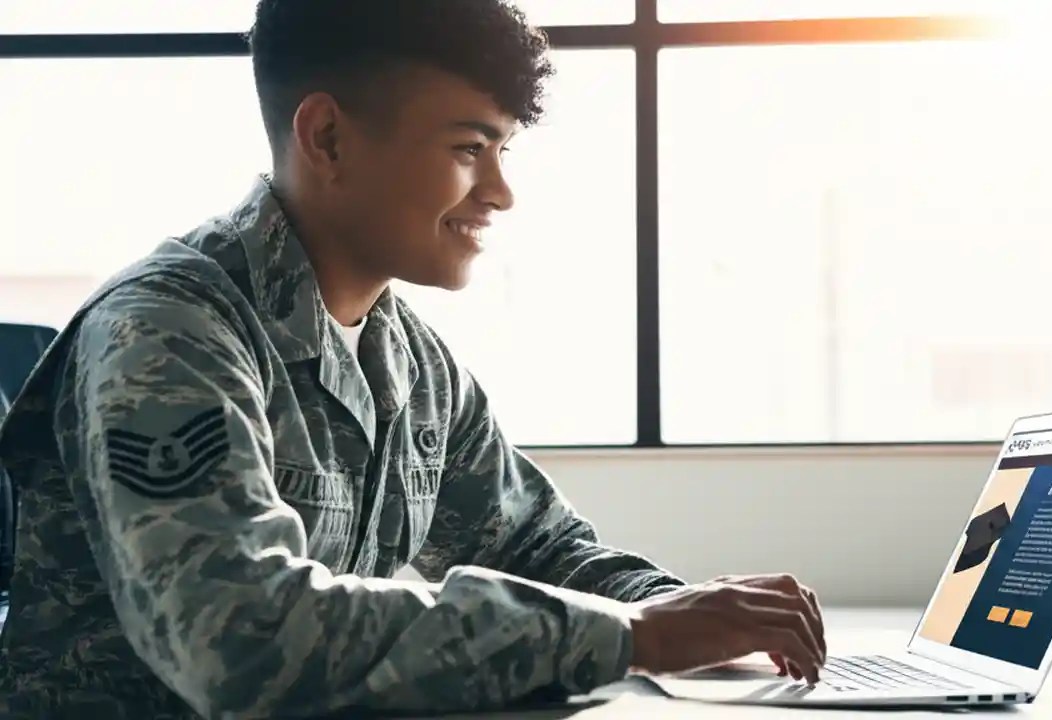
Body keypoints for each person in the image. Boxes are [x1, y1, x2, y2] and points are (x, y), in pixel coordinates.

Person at [0, 1, 826, 717]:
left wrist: (692, 616)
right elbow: (241, 639)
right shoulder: (169, 330)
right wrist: (637, 637)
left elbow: (538, 547)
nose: (500, 192)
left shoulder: (411, 361)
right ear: (326, 137)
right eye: (470, 148)